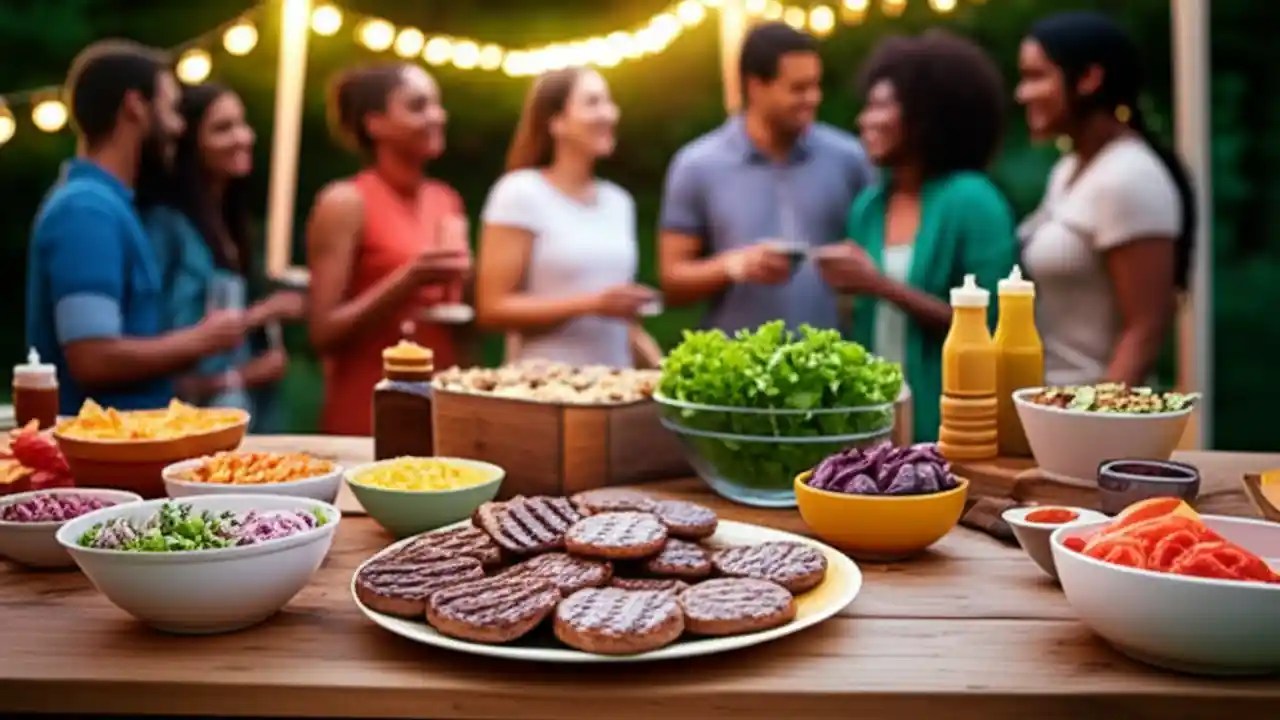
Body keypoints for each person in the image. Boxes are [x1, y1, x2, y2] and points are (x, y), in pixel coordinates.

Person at [25, 40, 246, 414]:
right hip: (100, 459)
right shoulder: (86, 210)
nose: (179, 128)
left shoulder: (110, 206)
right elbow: (93, 357)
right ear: (135, 107)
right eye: (172, 109)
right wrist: (202, 340)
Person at [820, 31, 1016, 442]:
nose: (863, 120)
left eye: (879, 106)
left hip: (953, 431)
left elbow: (993, 330)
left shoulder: (974, 201)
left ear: (928, 114)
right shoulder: (870, 205)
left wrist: (877, 284)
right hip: (877, 429)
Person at [658, 22, 875, 334]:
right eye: (798, 88)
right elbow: (673, 282)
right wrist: (735, 266)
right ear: (755, 86)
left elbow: (883, 257)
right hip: (734, 365)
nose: (813, 98)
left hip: (829, 363)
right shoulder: (697, 165)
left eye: (816, 85)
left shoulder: (849, 158)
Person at [1016, 12, 1194, 386]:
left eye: (1037, 76)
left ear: (1089, 79)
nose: (1022, 93)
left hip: (1094, 425)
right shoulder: (1069, 169)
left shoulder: (1130, 177)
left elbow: (1145, 331)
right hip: (1053, 413)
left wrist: (1098, 424)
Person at [307, 63, 471, 436]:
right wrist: (409, 279)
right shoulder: (345, 201)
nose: (436, 116)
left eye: (437, 104)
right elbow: (322, 331)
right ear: (374, 123)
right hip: (370, 407)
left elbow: (456, 315)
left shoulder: (445, 199)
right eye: (418, 106)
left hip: (439, 401)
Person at [137, 83, 306, 428]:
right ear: (190, 142)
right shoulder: (165, 224)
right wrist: (261, 316)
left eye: (242, 124)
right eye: (222, 128)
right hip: (188, 417)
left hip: (242, 409)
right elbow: (160, 332)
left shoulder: (229, 219)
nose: (242, 137)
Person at [475, 67, 660, 368]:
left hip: (616, 388)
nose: (609, 114)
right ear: (556, 121)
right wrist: (591, 304)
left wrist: (664, 372)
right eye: (593, 103)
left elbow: (622, 324)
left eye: (609, 102)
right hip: (545, 389)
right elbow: (492, 308)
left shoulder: (619, 201)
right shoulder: (520, 192)